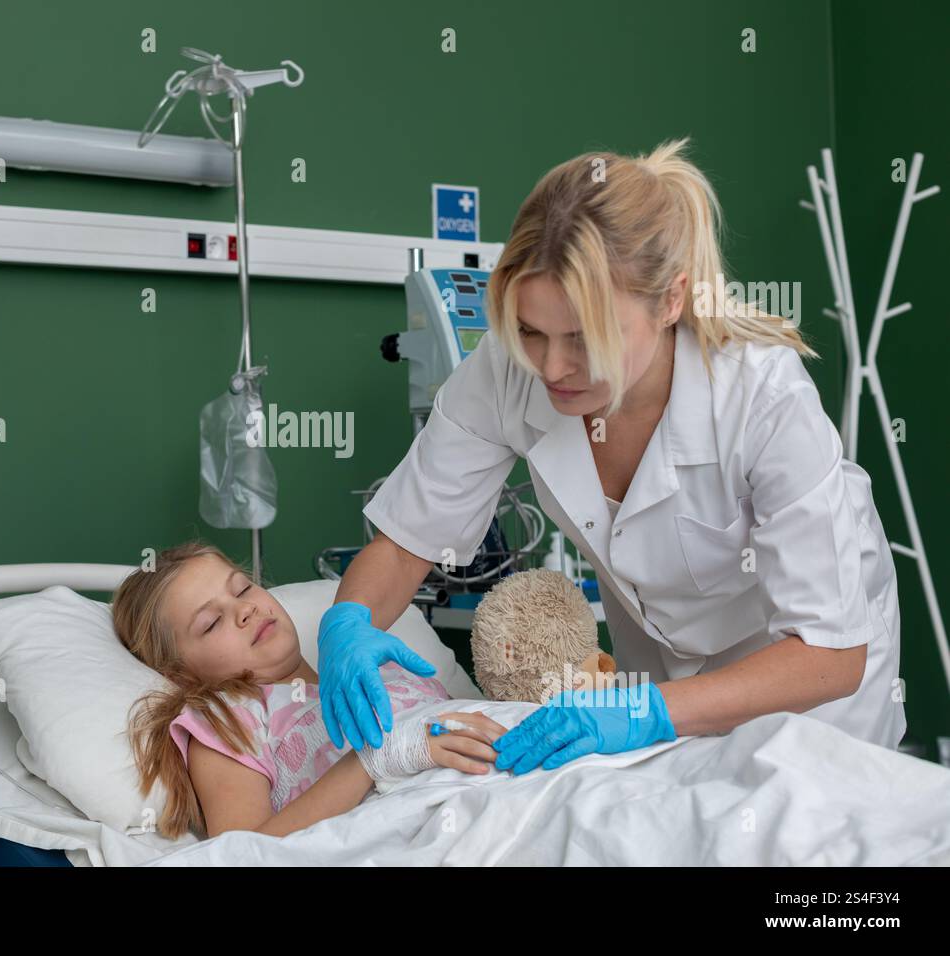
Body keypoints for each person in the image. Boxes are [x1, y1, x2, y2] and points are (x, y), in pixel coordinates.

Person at [318, 138, 904, 774]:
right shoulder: (507, 368)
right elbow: (410, 540)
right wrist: (348, 621)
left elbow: (829, 654)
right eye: (531, 332)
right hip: (653, 677)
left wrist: (647, 712)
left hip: (799, 684)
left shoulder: (762, 395)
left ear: (671, 301)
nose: (551, 367)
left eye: (583, 339)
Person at [112, 542, 507, 838]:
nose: (244, 609)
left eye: (243, 589)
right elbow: (244, 854)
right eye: (212, 622)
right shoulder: (230, 718)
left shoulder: (378, 666)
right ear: (180, 674)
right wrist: (374, 760)